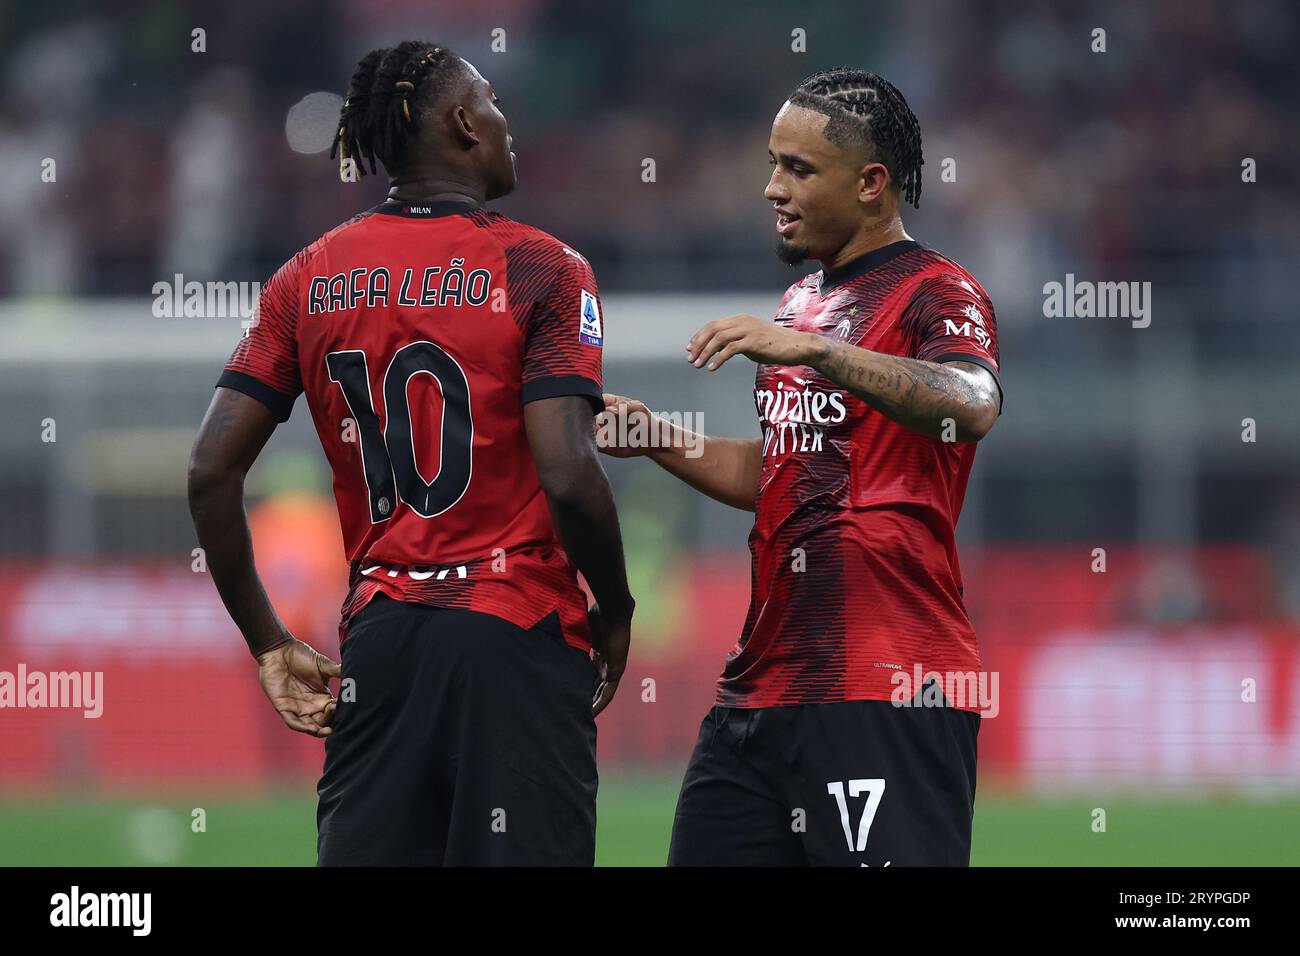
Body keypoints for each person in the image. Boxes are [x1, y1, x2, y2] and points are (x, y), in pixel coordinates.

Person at [188, 41, 634, 866]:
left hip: (382, 646)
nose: (507, 122)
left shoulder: (306, 277)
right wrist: (617, 605)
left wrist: (267, 641)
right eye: (492, 100)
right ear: (465, 121)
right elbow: (570, 474)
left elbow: (210, 470)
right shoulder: (544, 269)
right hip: (518, 633)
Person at [599, 68, 1001, 866]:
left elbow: (972, 402)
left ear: (871, 183)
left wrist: (819, 349)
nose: (771, 187)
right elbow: (784, 472)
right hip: (761, 690)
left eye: (798, 168)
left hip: (887, 684)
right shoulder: (800, 303)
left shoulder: (936, 291)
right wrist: (658, 436)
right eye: (773, 162)